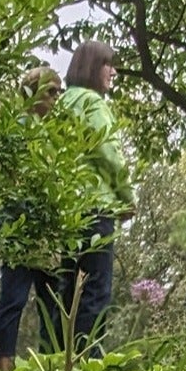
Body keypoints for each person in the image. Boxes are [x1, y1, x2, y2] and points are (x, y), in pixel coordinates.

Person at [55, 39, 134, 353]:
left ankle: (66, 366)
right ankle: (91, 366)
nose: (113, 72)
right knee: (95, 291)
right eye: (108, 64)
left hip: (67, 211)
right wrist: (126, 196)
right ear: (92, 67)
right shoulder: (93, 103)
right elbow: (108, 153)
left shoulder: (60, 105)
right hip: (96, 207)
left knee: (70, 291)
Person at [0, 65, 64, 371]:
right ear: (31, 92)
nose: (56, 99)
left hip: (47, 235)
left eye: (59, 93)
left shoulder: (54, 136)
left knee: (52, 304)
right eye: (51, 92)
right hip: (20, 234)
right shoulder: (16, 129)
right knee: (13, 301)